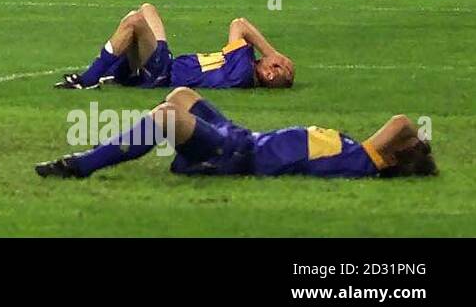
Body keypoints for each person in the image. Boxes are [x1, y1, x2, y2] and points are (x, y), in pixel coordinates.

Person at [35, 87, 436, 179]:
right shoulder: (357, 154)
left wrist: (420, 144)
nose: (400, 135)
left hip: (238, 154)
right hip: (244, 137)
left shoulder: (363, 162)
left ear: (395, 155)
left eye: (404, 143)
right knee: (182, 95)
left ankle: (81, 165)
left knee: (164, 115)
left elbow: (401, 120)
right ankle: (191, 150)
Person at [55, 3, 295, 90]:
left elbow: (239, 24)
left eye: (280, 65)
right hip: (167, 63)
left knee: (134, 22)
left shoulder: (242, 70)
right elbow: (240, 26)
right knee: (146, 10)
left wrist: (271, 52)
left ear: (268, 73)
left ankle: (88, 79)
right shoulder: (242, 65)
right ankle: (118, 73)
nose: (278, 59)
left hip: (163, 74)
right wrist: (271, 55)